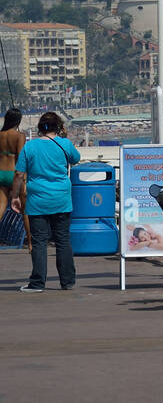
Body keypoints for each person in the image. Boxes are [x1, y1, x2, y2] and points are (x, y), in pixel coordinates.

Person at [12, 111, 81, 293]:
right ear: (58, 127)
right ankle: (67, 281)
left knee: (39, 242)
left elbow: (19, 174)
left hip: (37, 200)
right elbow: (76, 158)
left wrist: (15, 197)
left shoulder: (30, 146)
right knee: (63, 240)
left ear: (40, 127)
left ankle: (37, 283)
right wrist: (63, 136)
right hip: (61, 199)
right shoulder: (64, 143)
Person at [0, 107, 28, 245]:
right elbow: (21, 159)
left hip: (1, 173)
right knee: (25, 210)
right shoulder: (20, 136)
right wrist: (24, 178)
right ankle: (30, 244)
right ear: (18, 121)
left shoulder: (0, 134)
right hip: (14, 174)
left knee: (0, 207)